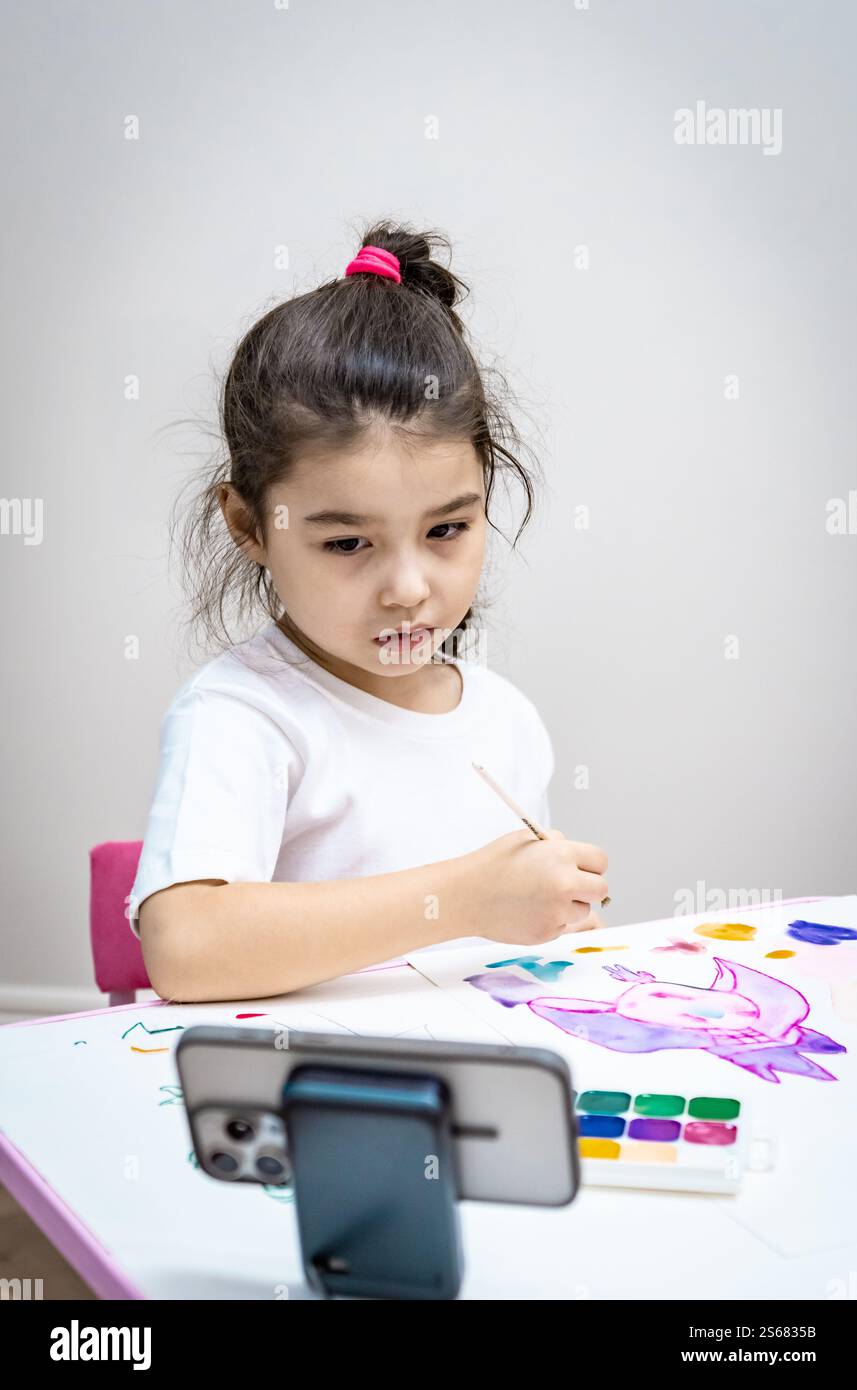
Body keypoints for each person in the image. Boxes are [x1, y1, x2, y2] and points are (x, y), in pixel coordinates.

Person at [131, 220, 609, 1002]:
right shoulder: (244, 715)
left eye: (447, 529)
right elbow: (185, 948)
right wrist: (462, 898)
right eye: (350, 544)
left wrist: (550, 916)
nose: (409, 588)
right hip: (308, 1102)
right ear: (251, 524)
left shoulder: (505, 718)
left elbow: (516, 947)